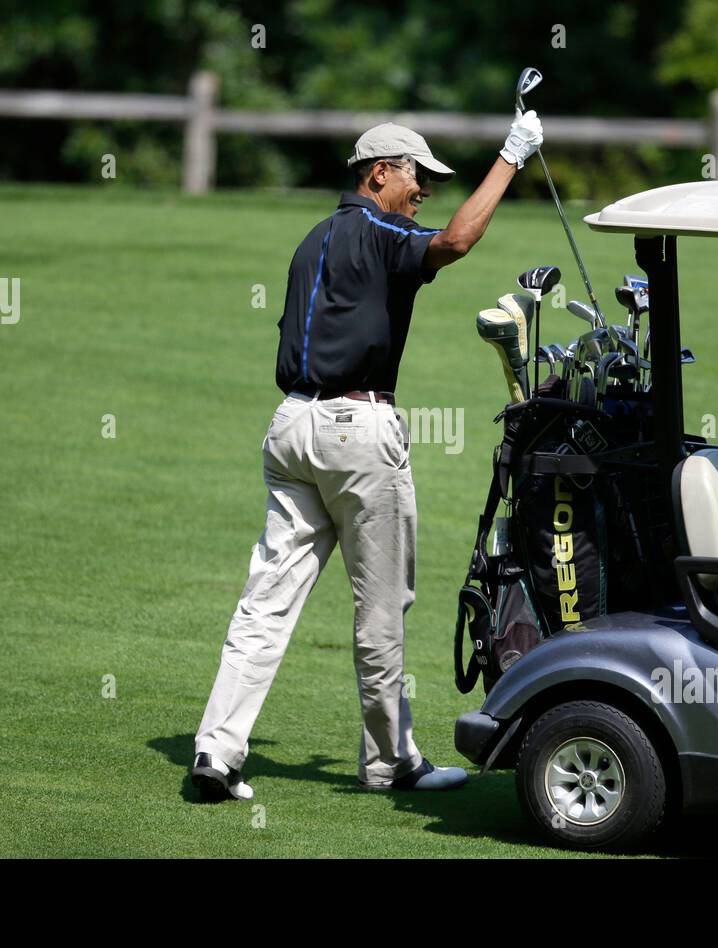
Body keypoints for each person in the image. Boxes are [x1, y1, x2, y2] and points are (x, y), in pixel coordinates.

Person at [189, 112, 545, 801]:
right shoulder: (379, 230)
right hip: (356, 431)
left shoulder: (313, 237)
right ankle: (390, 763)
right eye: (417, 176)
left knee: (265, 604)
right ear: (379, 171)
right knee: (381, 608)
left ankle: (216, 751)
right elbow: (457, 241)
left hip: (291, 429)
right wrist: (511, 156)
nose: (424, 191)